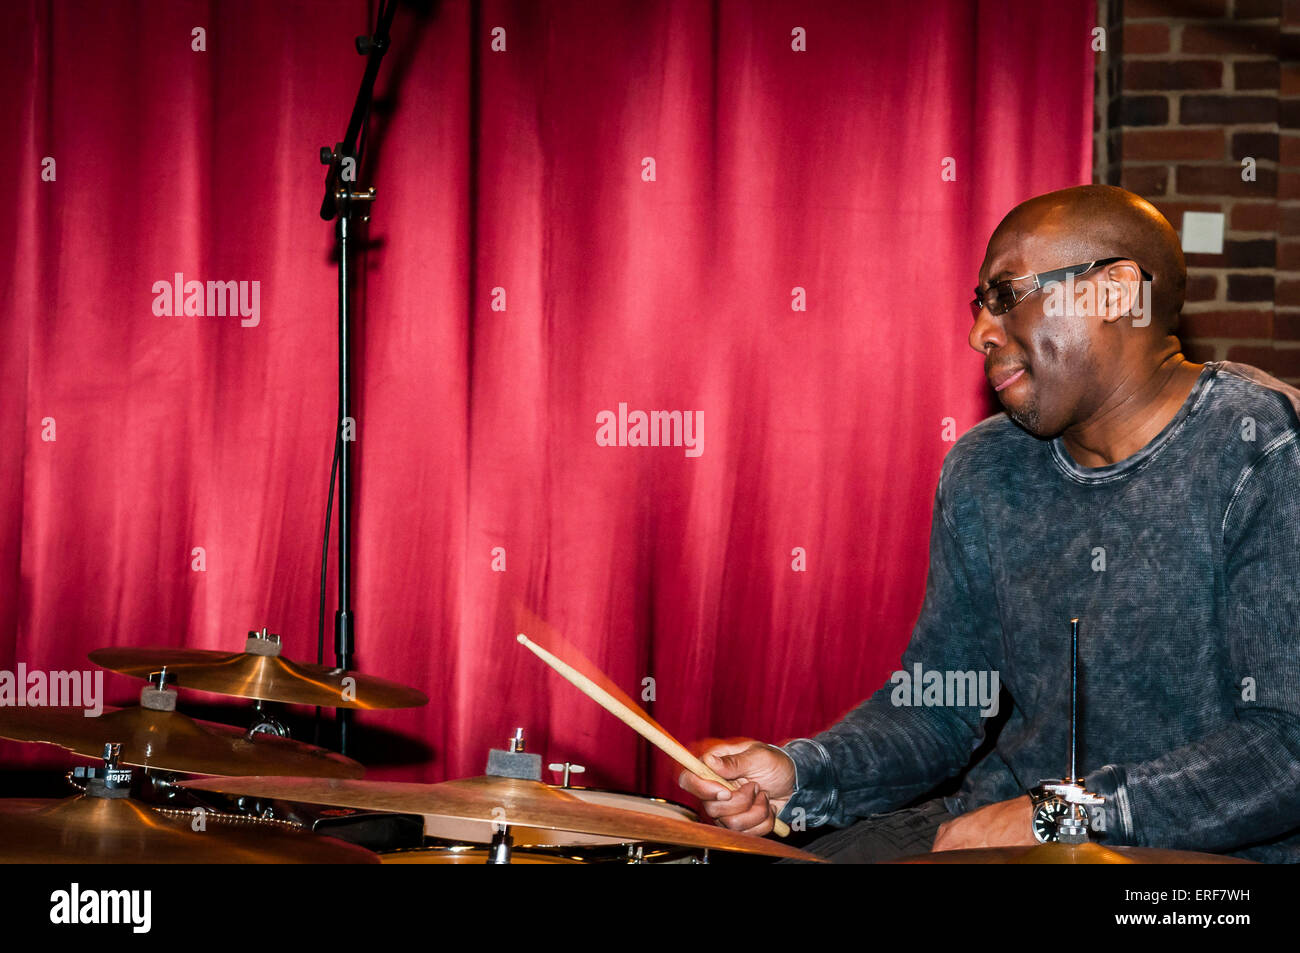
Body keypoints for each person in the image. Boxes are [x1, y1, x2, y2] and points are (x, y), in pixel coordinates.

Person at [678, 185, 1300, 862]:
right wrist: (804, 772)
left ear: (1116, 291)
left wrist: (1060, 816)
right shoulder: (985, 468)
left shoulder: (1262, 446)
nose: (980, 332)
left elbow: (1286, 747)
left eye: (1007, 294)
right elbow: (941, 704)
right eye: (980, 305)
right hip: (999, 821)